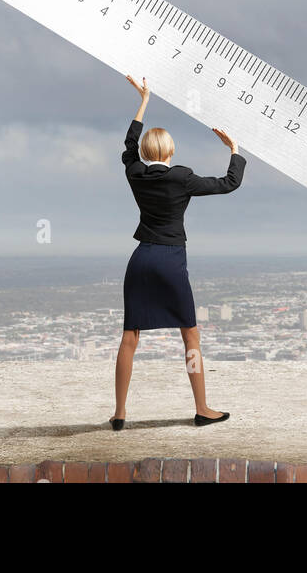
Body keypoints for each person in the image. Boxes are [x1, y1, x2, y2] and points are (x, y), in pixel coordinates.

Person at [110, 74, 246, 431]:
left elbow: (127, 146)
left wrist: (143, 101)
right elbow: (228, 184)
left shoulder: (135, 172)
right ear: (170, 152)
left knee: (130, 337)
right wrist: (234, 150)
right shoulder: (182, 177)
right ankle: (202, 408)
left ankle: (120, 413)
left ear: (144, 153)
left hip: (140, 259)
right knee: (189, 335)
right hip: (171, 261)